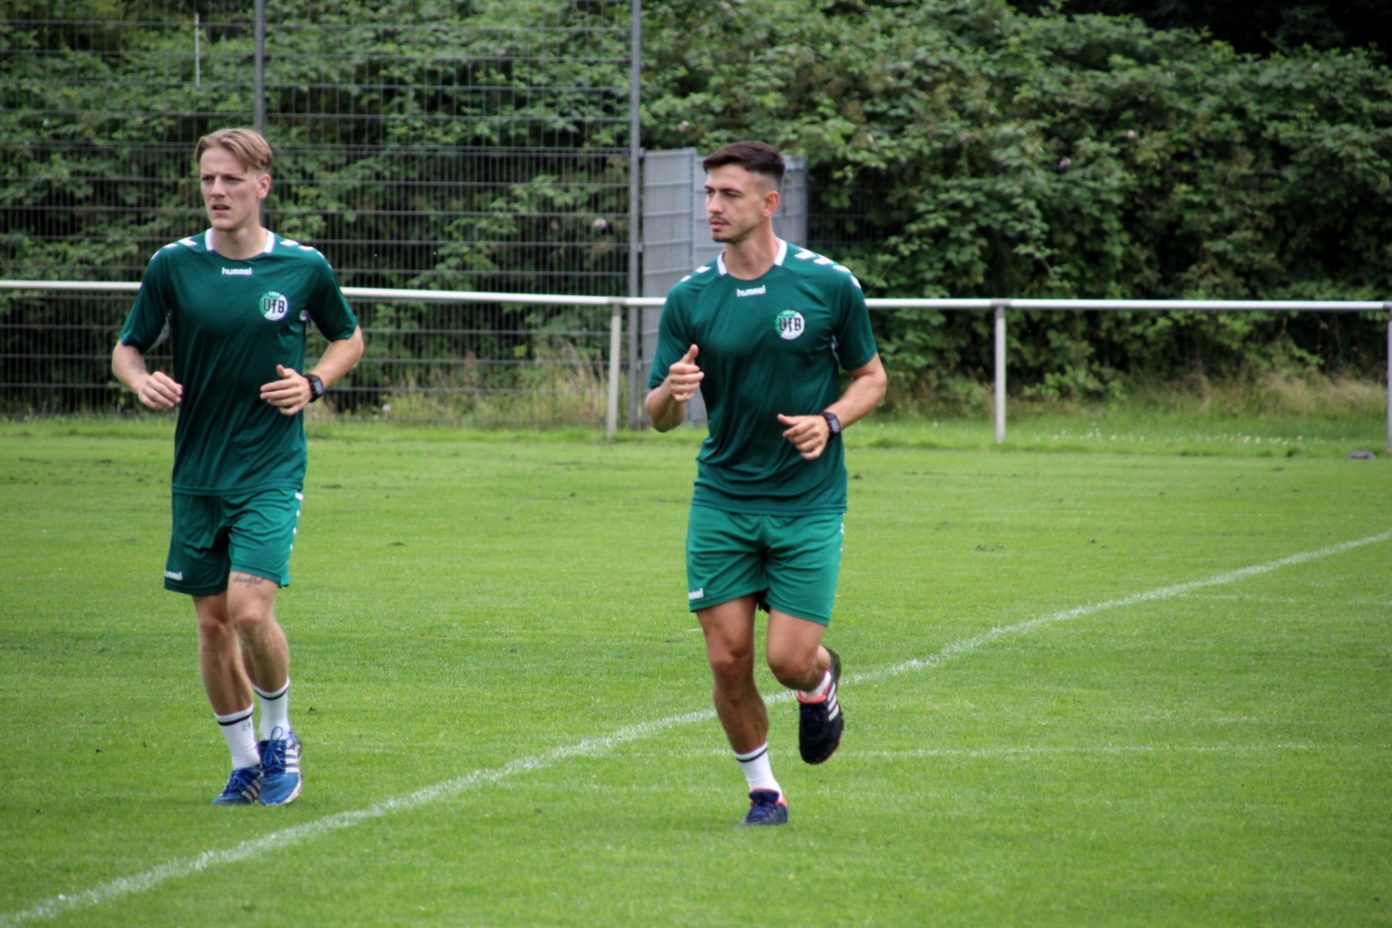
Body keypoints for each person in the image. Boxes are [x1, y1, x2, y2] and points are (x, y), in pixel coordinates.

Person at [112, 127, 364, 806]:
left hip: (269, 468)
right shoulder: (174, 264)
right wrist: (140, 382)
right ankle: (244, 762)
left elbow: (349, 335)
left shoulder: (302, 266)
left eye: (229, 179)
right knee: (211, 624)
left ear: (262, 184)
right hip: (197, 473)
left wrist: (313, 383)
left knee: (250, 613)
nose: (216, 192)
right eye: (207, 181)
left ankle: (280, 733)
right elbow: (128, 347)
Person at [645, 140, 887, 826]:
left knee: (787, 660)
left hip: (807, 503)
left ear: (769, 203)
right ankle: (764, 791)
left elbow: (871, 378)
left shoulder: (827, 284)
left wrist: (830, 422)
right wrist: (671, 391)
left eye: (729, 195)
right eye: (709, 195)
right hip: (722, 500)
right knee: (727, 661)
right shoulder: (691, 297)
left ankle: (819, 683)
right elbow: (657, 417)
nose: (713, 208)